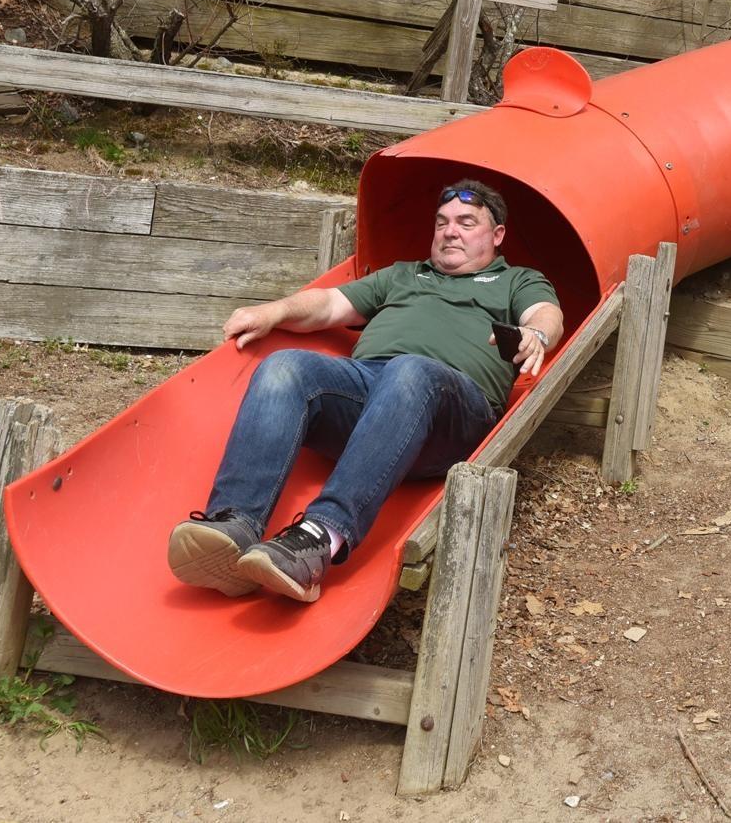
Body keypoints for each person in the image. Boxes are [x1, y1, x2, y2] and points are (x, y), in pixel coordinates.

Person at [166, 179, 564, 602]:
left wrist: (536, 333)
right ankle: (234, 525)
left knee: (410, 371)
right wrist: (275, 310)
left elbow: (547, 313)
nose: (451, 231)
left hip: (452, 410)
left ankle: (321, 537)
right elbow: (330, 305)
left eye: (467, 222)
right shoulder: (403, 275)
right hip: (371, 395)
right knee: (286, 365)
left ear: (497, 235)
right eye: (443, 222)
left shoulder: (516, 280)